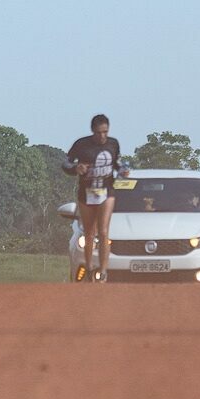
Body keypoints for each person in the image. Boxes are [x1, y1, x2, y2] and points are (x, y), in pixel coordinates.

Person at [64, 114, 128, 282]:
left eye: (105, 132)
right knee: (89, 233)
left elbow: (118, 164)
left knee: (104, 231)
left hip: (107, 191)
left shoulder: (113, 144)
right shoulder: (81, 145)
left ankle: (104, 271)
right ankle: (90, 269)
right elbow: (66, 163)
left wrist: (123, 171)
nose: (102, 136)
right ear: (93, 130)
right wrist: (75, 168)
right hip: (87, 193)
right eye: (99, 132)